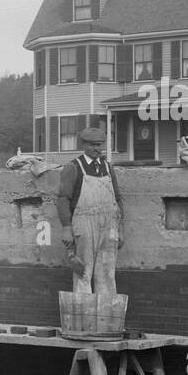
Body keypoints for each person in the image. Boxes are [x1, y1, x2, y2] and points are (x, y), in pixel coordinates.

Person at [57, 126, 124, 295]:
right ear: (84, 145)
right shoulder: (73, 167)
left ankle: (105, 319)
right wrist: (66, 227)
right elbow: (63, 198)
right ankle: (83, 318)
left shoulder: (108, 167)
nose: (97, 148)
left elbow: (117, 198)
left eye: (100, 144)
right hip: (84, 224)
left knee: (107, 275)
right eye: (93, 145)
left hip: (109, 226)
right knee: (83, 273)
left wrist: (120, 228)